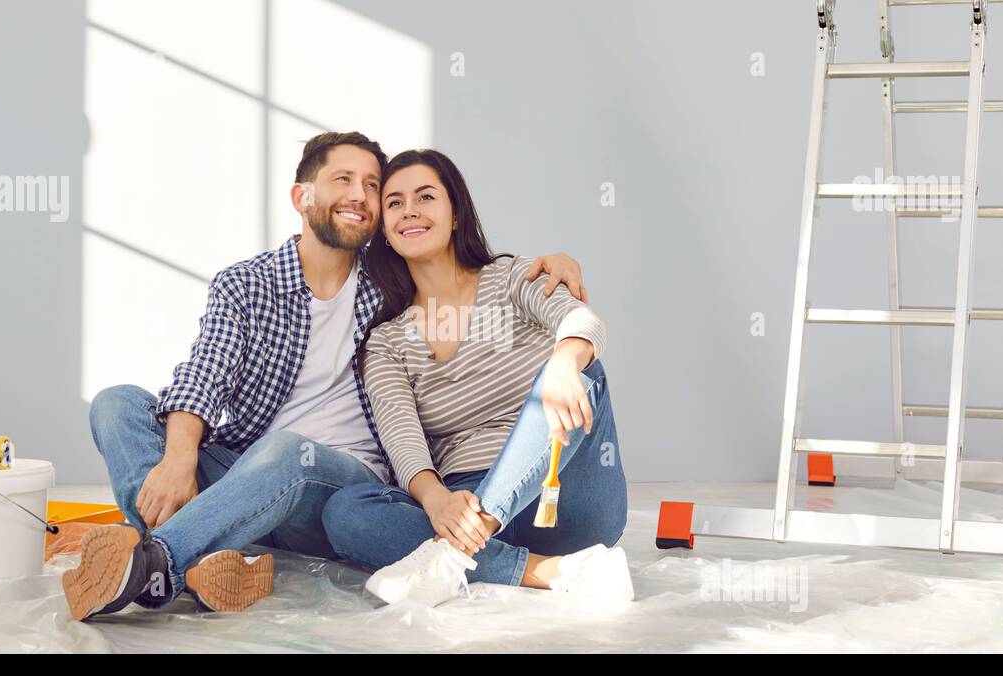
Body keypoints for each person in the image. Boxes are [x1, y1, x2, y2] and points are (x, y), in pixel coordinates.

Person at [67, 133, 587, 621]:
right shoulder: (248, 285)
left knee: (287, 450)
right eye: (343, 180)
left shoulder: (393, 279)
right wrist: (181, 458)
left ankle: (155, 566)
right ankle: (195, 558)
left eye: (371, 186)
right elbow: (203, 375)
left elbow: (461, 264)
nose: (360, 195)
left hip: (345, 486)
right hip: (248, 482)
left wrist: (556, 260)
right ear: (301, 196)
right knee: (116, 403)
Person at [322, 149, 631, 608]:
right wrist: (437, 502)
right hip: (463, 497)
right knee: (346, 512)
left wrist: (564, 361)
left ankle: (457, 552)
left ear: (454, 215)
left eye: (426, 197)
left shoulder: (511, 278)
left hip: (562, 494)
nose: (410, 210)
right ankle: (553, 572)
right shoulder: (386, 342)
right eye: (394, 203)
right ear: (385, 230)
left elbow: (579, 320)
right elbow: (404, 444)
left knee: (585, 371)